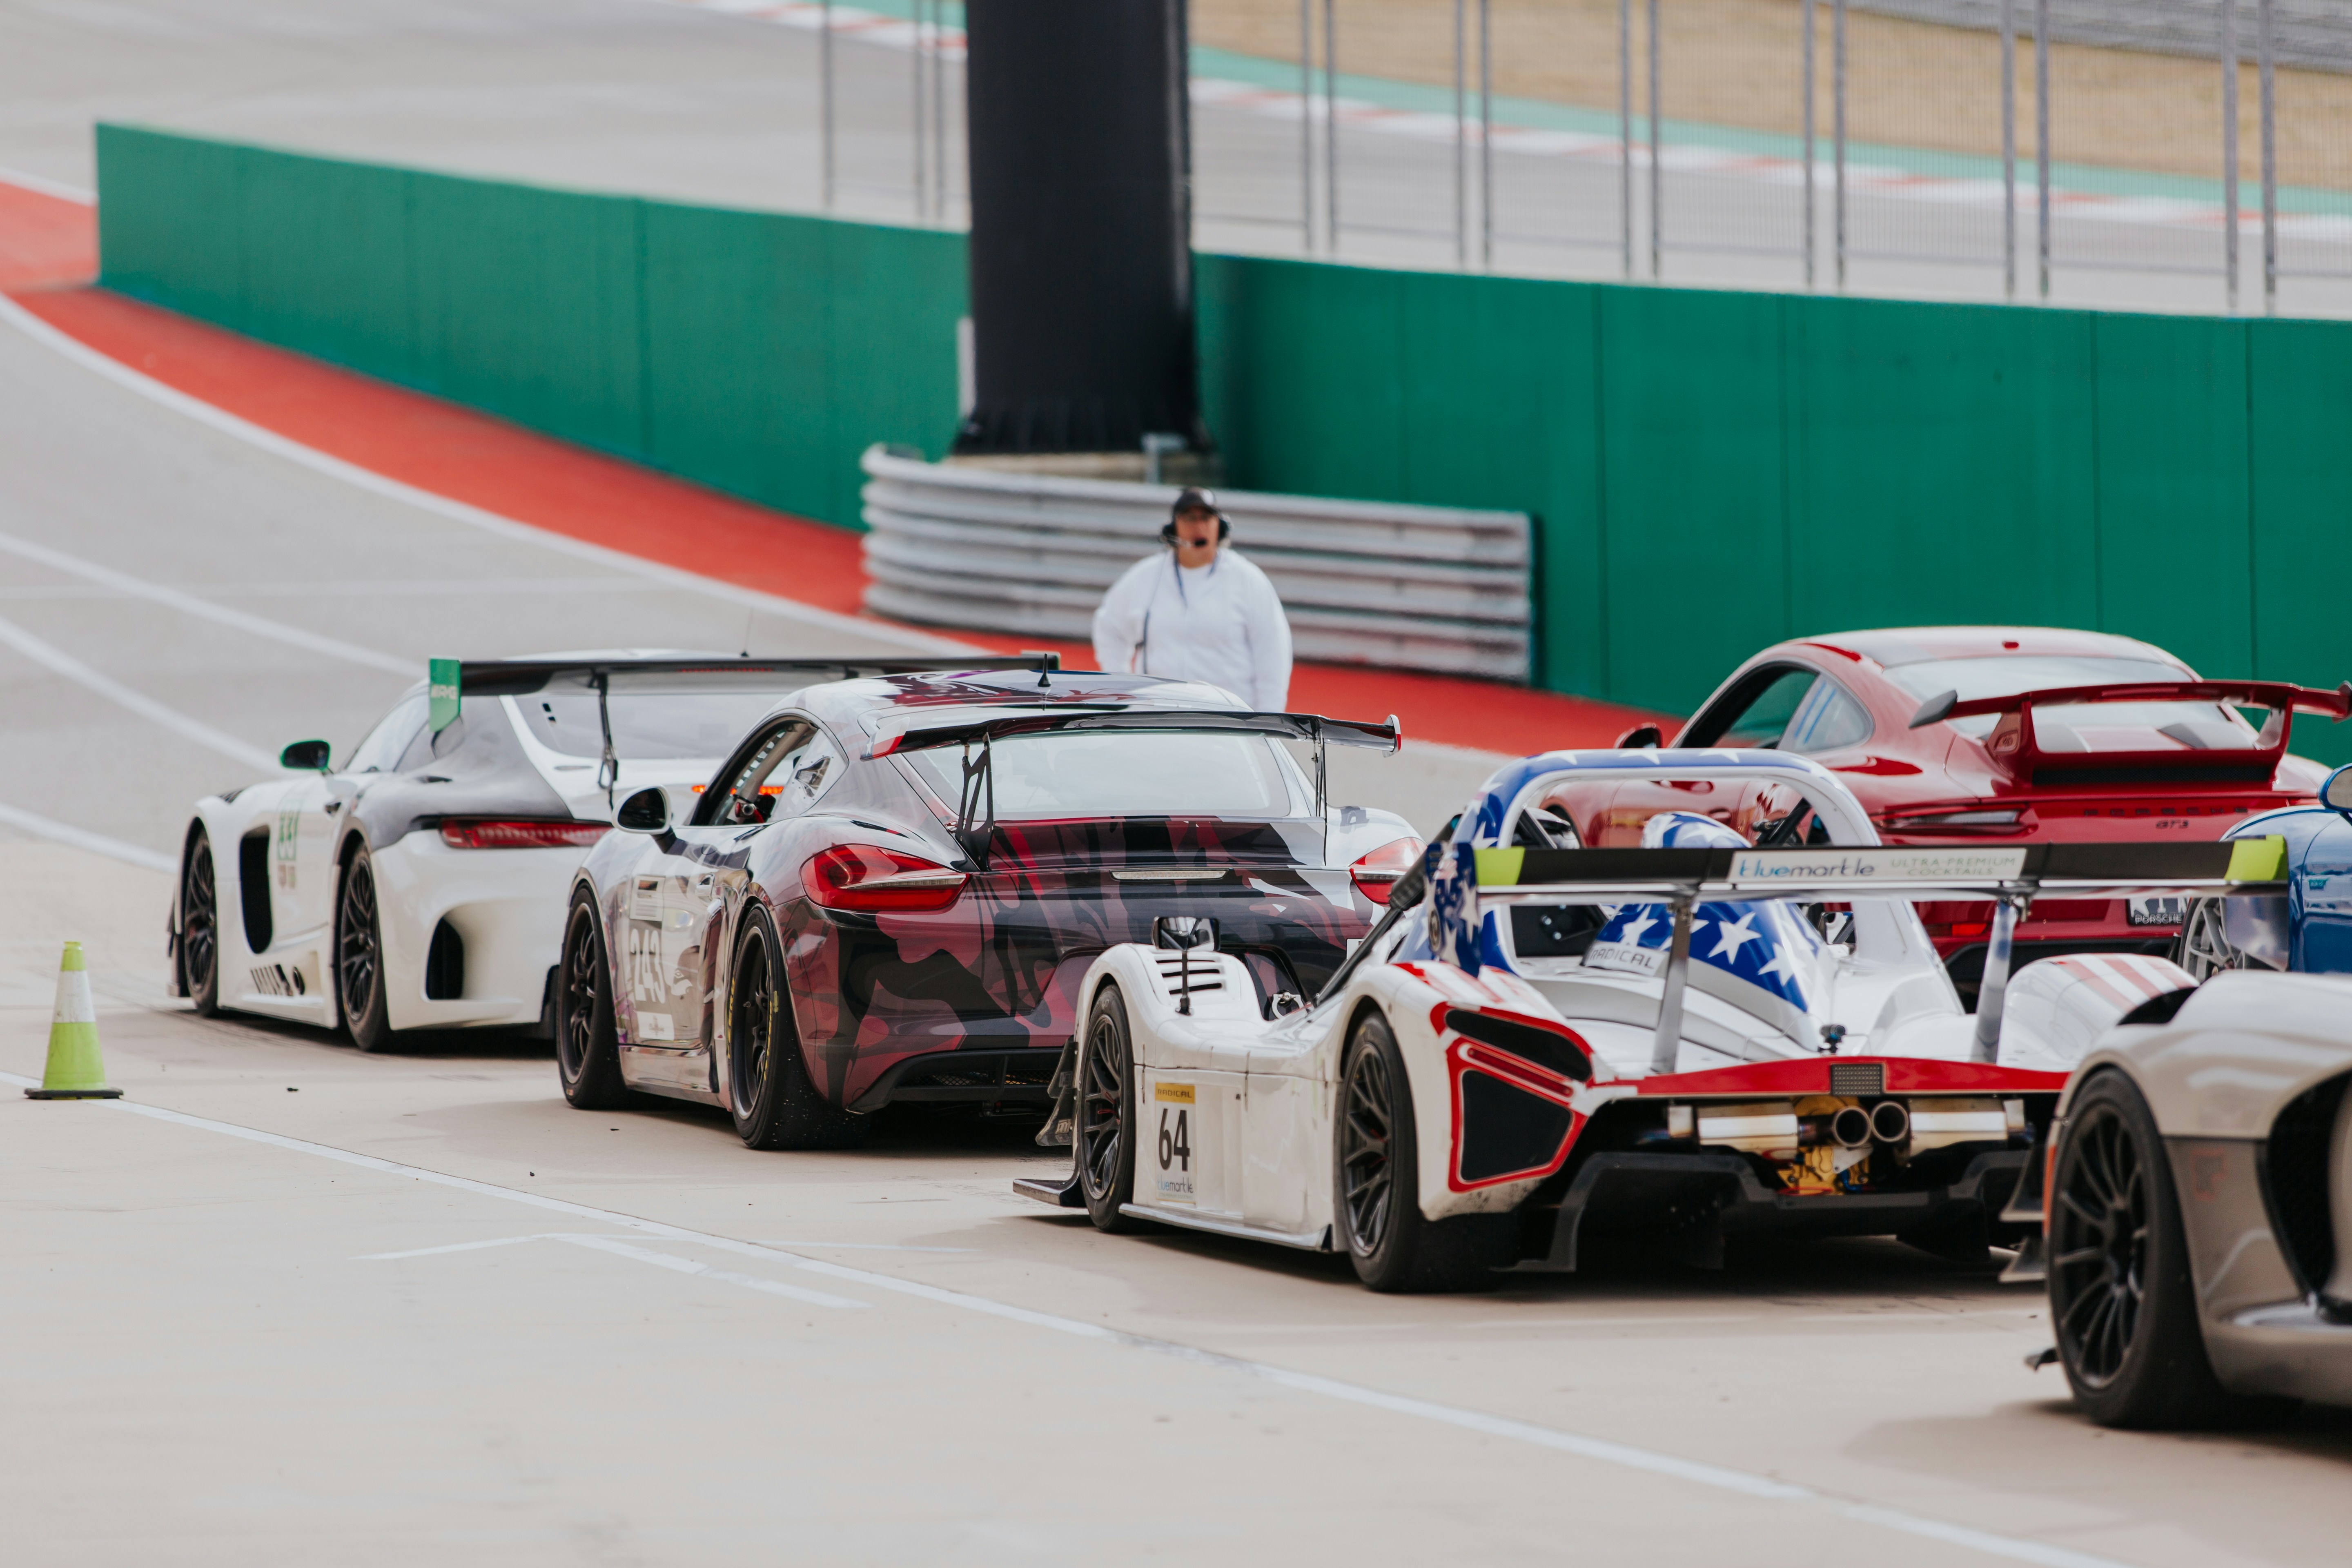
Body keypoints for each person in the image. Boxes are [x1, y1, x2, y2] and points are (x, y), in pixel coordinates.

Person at [1092, 488, 1293, 712]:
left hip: (1229, 721)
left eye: (1207, 518)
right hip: (1158, 718)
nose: (1199, 527)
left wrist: (1270, 718)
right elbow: (1108, 625)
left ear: (1220, 526)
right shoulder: (1146, 577)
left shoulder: (1248, 580)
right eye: (1190, 518)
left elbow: (1273, 652)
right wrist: (1122, 691)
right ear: (1174, 528)